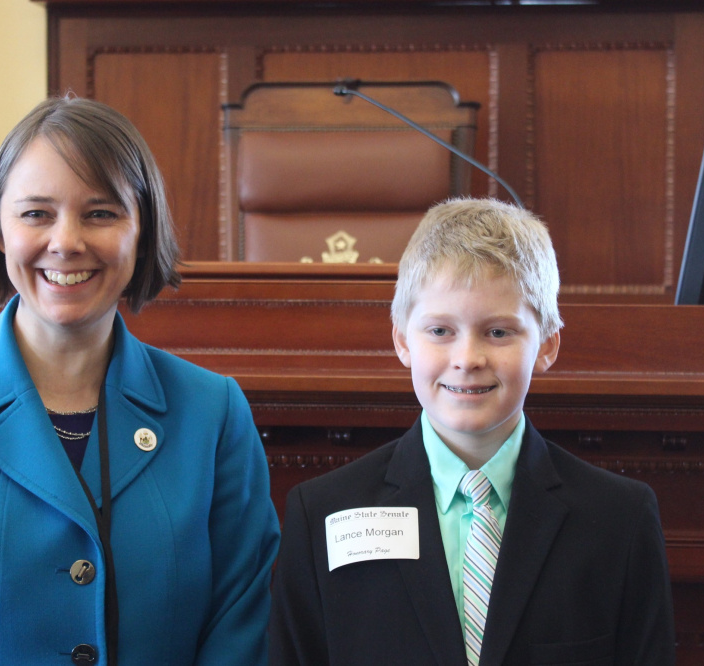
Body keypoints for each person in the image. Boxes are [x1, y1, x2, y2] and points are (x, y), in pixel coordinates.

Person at [0, 96, 280, 665]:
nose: (66, 241)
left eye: (100, 213)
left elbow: (240, 629)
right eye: (35, 214)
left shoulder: (212, 413)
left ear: (142, 231)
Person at [268, 198, 675, 665]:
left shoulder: (620, 519)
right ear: (402, 341)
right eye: (440, 331)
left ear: (546, 345)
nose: (467, 359)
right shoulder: (322, 512)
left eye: (498, 333)